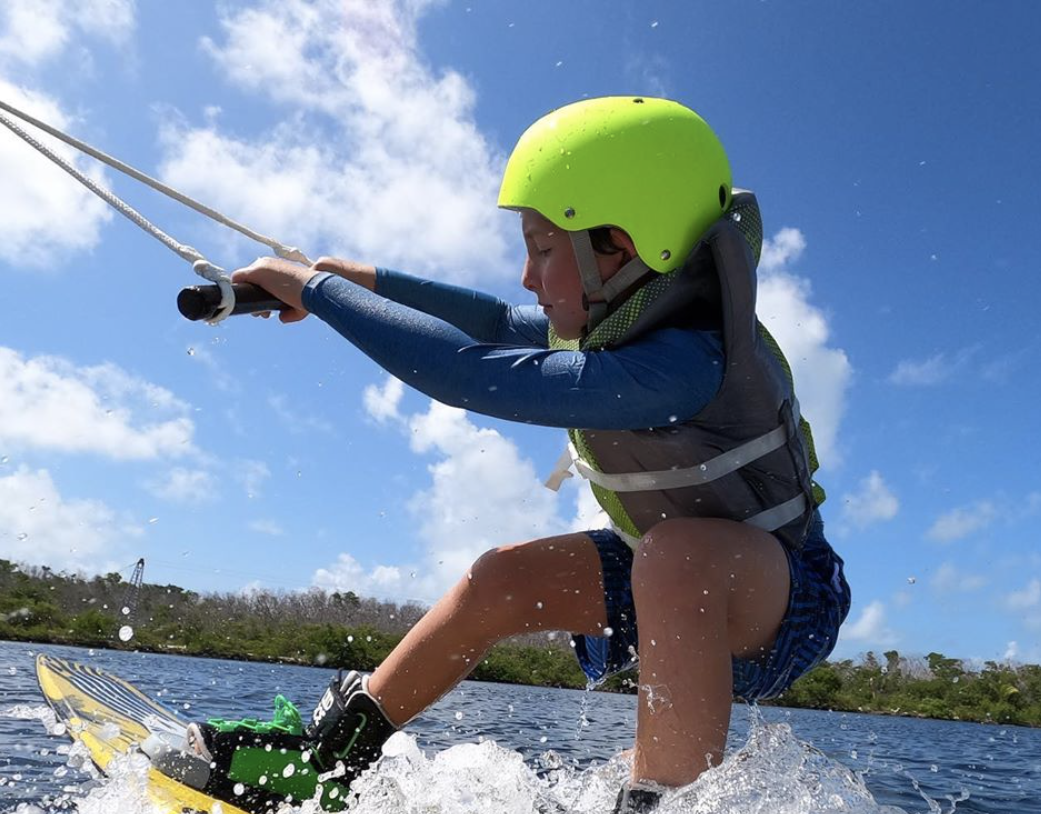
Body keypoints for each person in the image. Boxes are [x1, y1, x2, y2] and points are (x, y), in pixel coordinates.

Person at [178, 96, 850, 814]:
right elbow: (497, 323)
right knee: (500, 578)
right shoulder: (611, 321)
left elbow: (467, 371)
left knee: (675, 553)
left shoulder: (687, 361)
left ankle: (661, 803)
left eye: (542, 249)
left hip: (780, 604)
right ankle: (330, 759)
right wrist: (365, 282)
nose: (527, 277)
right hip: (667, 579)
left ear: (619, 247)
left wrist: (315, 290)